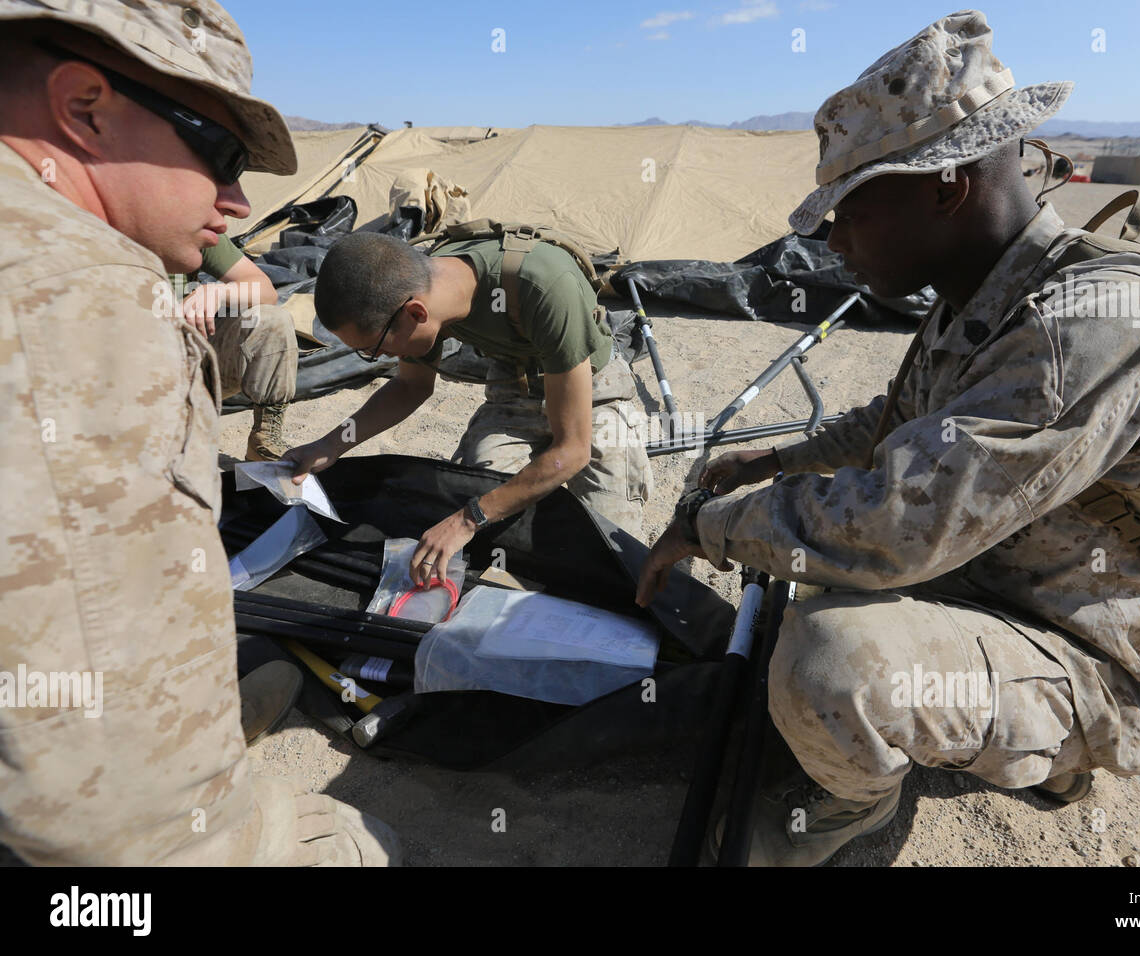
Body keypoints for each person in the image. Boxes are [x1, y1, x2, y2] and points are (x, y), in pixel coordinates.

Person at [637, 9, 1140, 866]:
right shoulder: (979, 293)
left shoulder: (1096, 323)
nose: (829, 242)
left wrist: (706, 527)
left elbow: (895, 527)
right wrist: (775, 460)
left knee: (831, 659)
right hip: (974, 581)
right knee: (802, 571)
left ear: (945, 185)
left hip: (1073, 649)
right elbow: (902, 417)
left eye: (847, 212)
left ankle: (872, 800)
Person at [0, 0, 398, 865]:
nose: (238, 197)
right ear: (84, 107)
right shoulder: (79, 301)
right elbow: (98, 803)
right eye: (220, 152)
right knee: (367, 846)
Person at [285, 230, 653, 586]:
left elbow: (571, 450)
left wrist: (467, 518)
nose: (377, 358)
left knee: (612, 550)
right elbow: (411, 386)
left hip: (592, 395)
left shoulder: (544, 286)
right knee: (481, 506)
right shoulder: (423, 289)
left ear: (415, 314)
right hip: (515, 390)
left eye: (375, 347)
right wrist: (330, 446)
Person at [175, 232, 298, 460]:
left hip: (192, 365)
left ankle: (264, 441)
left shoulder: (191, 223)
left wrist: (218, 292)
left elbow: (266, 292)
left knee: (271, 320)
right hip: (120, 378)